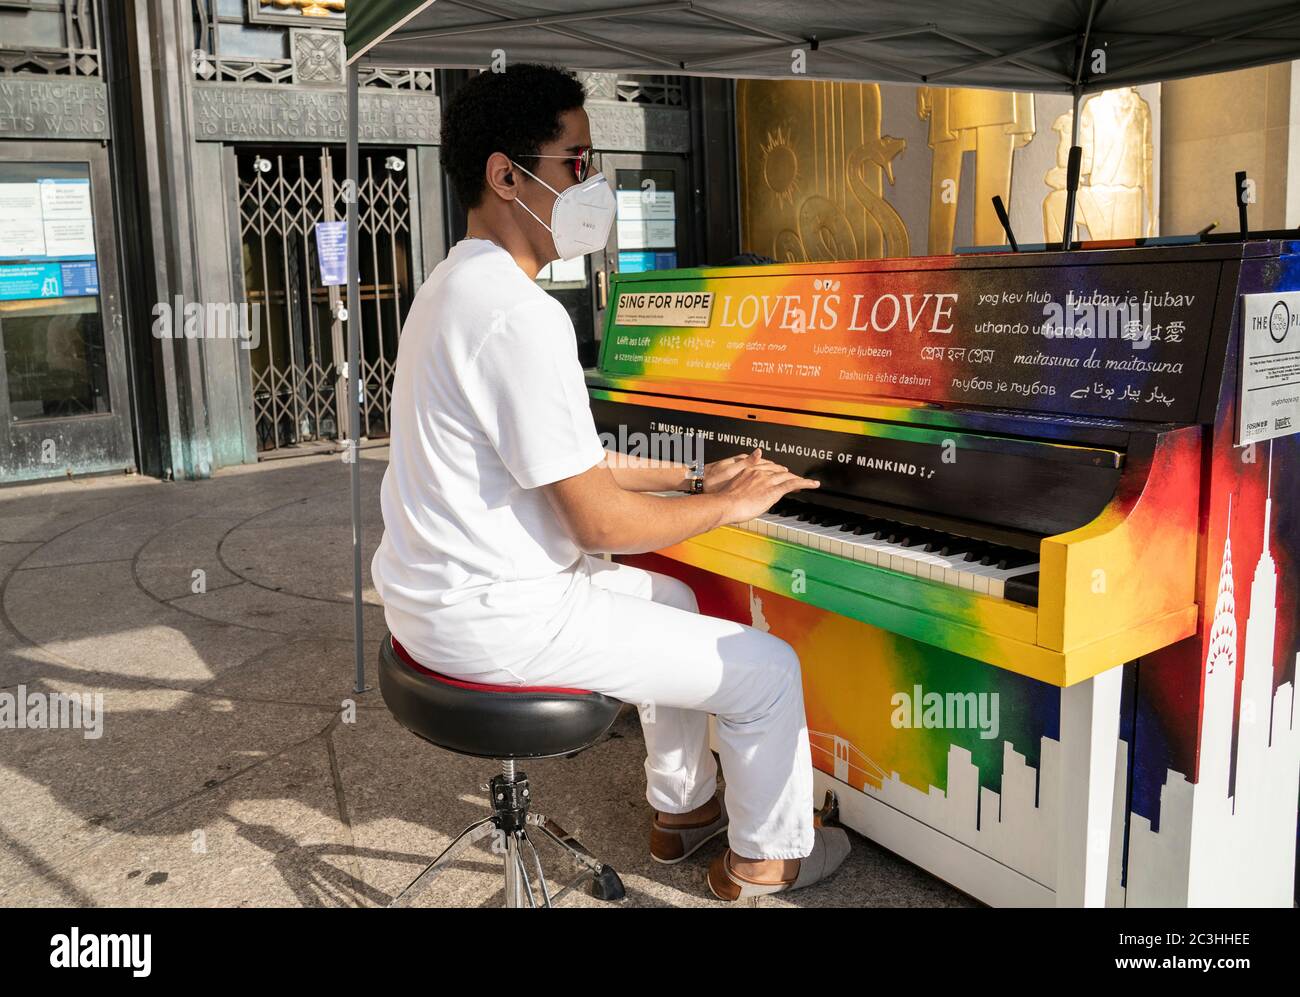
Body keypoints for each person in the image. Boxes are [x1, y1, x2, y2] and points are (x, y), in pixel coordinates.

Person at [371, 62, 850, 901]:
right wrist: (727, 503)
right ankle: (768, 857)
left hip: (433, 604)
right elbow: (596, 520)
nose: (592, 185)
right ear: (504, 175)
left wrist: (698, 469)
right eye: (576, 162)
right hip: (502, 621)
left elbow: (572, 459)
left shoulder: (451, 287)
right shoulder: (522, 314)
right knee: (768, 669)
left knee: (675, 601)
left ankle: (681, 807)